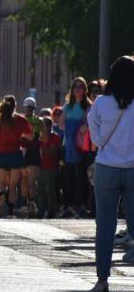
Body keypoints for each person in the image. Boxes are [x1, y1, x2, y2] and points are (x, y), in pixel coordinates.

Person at [84, 56, 134, 292]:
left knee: (105, 226)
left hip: (106, 168)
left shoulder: (101, 104)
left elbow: (95, 140)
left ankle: (102, 281)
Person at [0, 96, 32, 217]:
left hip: (2, 153)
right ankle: (10, 211)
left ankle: (1, 196)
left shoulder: (0, 120)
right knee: (13, 185)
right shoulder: (20, 120)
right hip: (15, 154)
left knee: (2, 182)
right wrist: (22, 135)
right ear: (15, 106)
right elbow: (31, 136)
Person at [59, 76, 93, 217]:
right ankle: (70, 205)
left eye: (81, 86)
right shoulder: (67, 107)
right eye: (76, 86)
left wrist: (83, 127)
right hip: (70, 146)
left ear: (85, 90)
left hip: (84, 146)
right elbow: (61, 124)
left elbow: (93, 123)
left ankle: (83, 205)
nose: (78, 89)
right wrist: (72, 129)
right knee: (70, 177)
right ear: (72, 90)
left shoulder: (89, 107)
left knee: (83, 176)